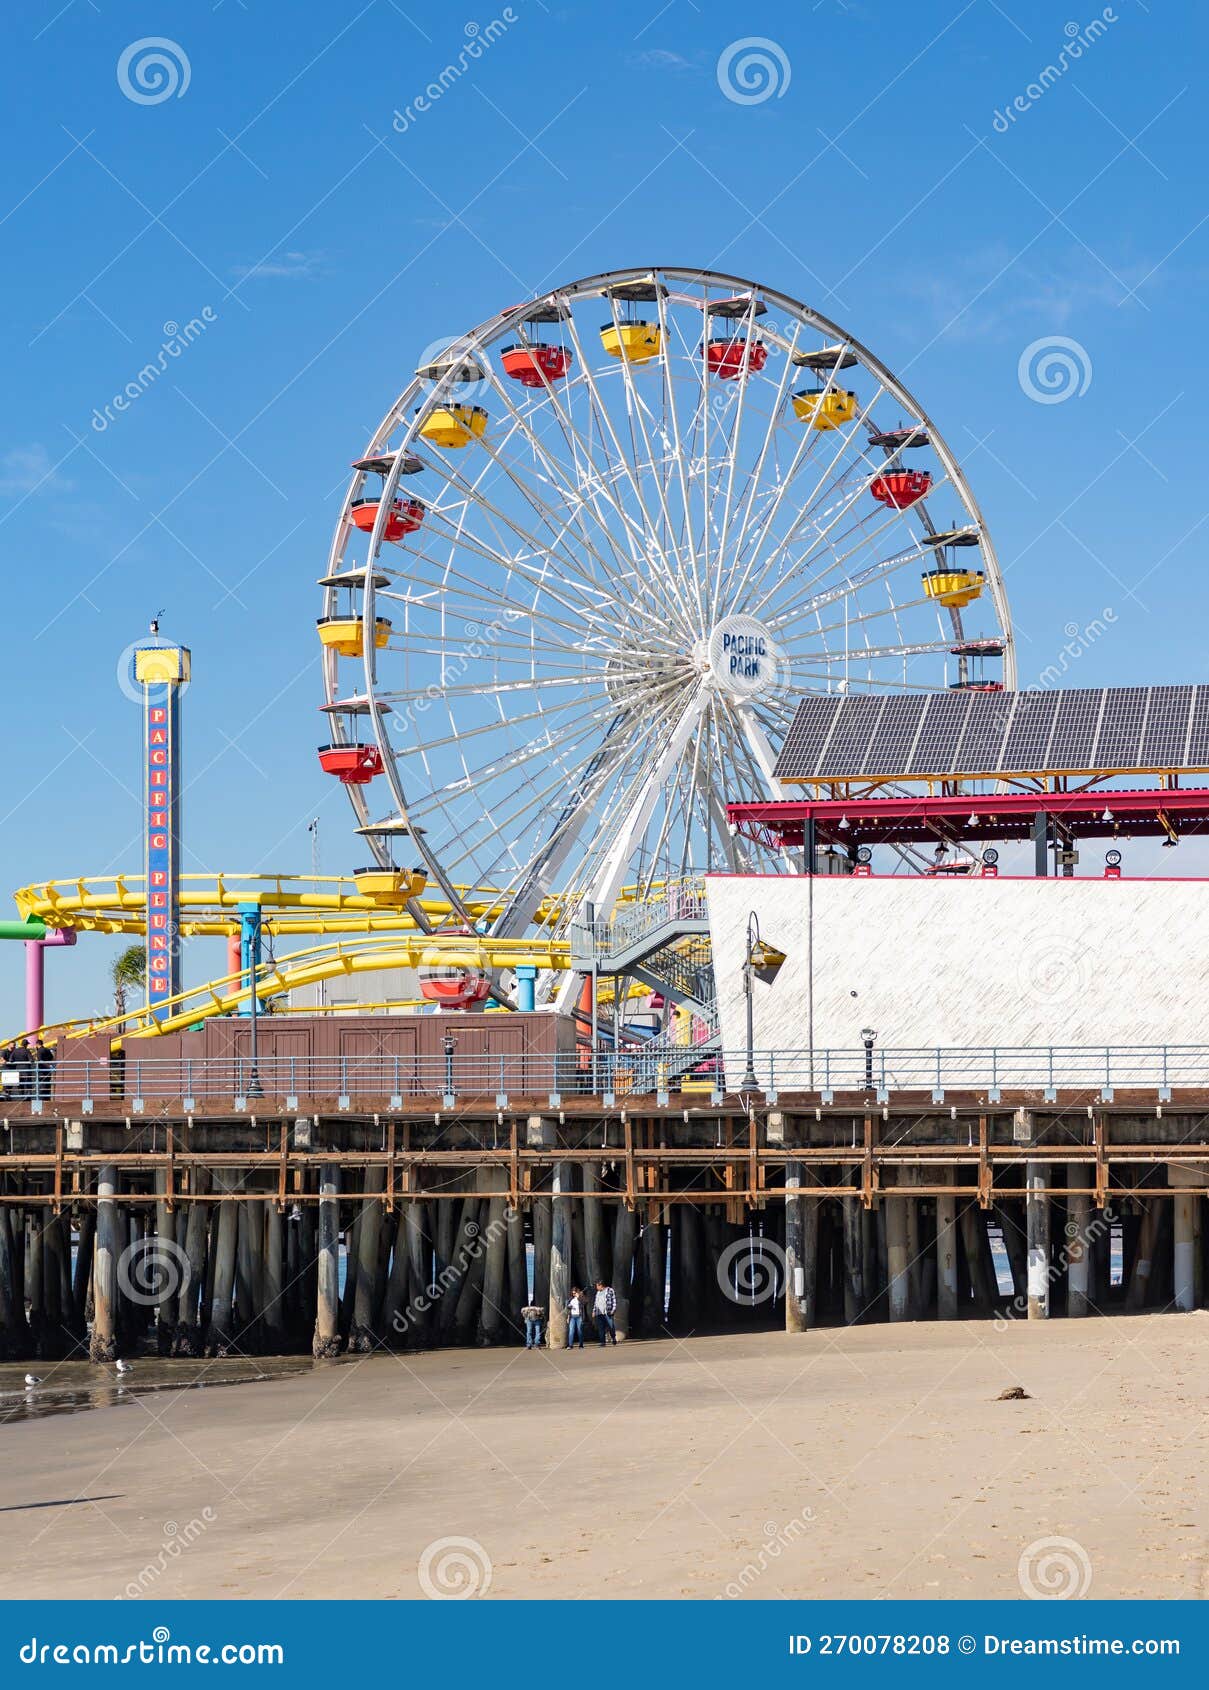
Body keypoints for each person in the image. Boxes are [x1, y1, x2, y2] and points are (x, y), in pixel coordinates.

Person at [593, 1279, 617, 1345]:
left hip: (608, 1312)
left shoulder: (610, 1290)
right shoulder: (598, 1293)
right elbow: (596, 1302)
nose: (596, 1287)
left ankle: (613, 1338)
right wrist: (594, 1311)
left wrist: (613, 1310)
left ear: (601, 1285)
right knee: (601, 1328)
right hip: (599, 1313)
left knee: (611, 1326)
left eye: (597, 1286)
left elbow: (614, 1300)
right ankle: (602, 1342)